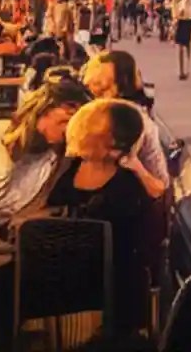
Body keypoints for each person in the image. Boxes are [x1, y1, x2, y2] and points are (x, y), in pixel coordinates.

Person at [48, 99, 161, 336]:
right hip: (62, 266)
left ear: (112, 141)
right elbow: (53, 211)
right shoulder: (71, 168)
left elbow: (131, 252)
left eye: (90, 125)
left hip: (105, 282)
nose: (80, 129)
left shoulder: (127, 187)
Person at [0, 69, 92, 249]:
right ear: (42, 109)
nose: (70, 130)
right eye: (67, 119)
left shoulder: (62, 162)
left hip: (9, 250)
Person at [82, 51, 170, 187]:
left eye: (103, 87)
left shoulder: (130, 118)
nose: (95, 92)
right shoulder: (99, 111)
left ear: (121, 87)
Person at [173, 0, 191, 80]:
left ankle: (182, 69)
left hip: (182, 22)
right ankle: (185, 69)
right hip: (185, 22)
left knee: (182, 48)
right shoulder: (185, 0)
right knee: (186, 47)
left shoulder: (178, 0)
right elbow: (183, 12)